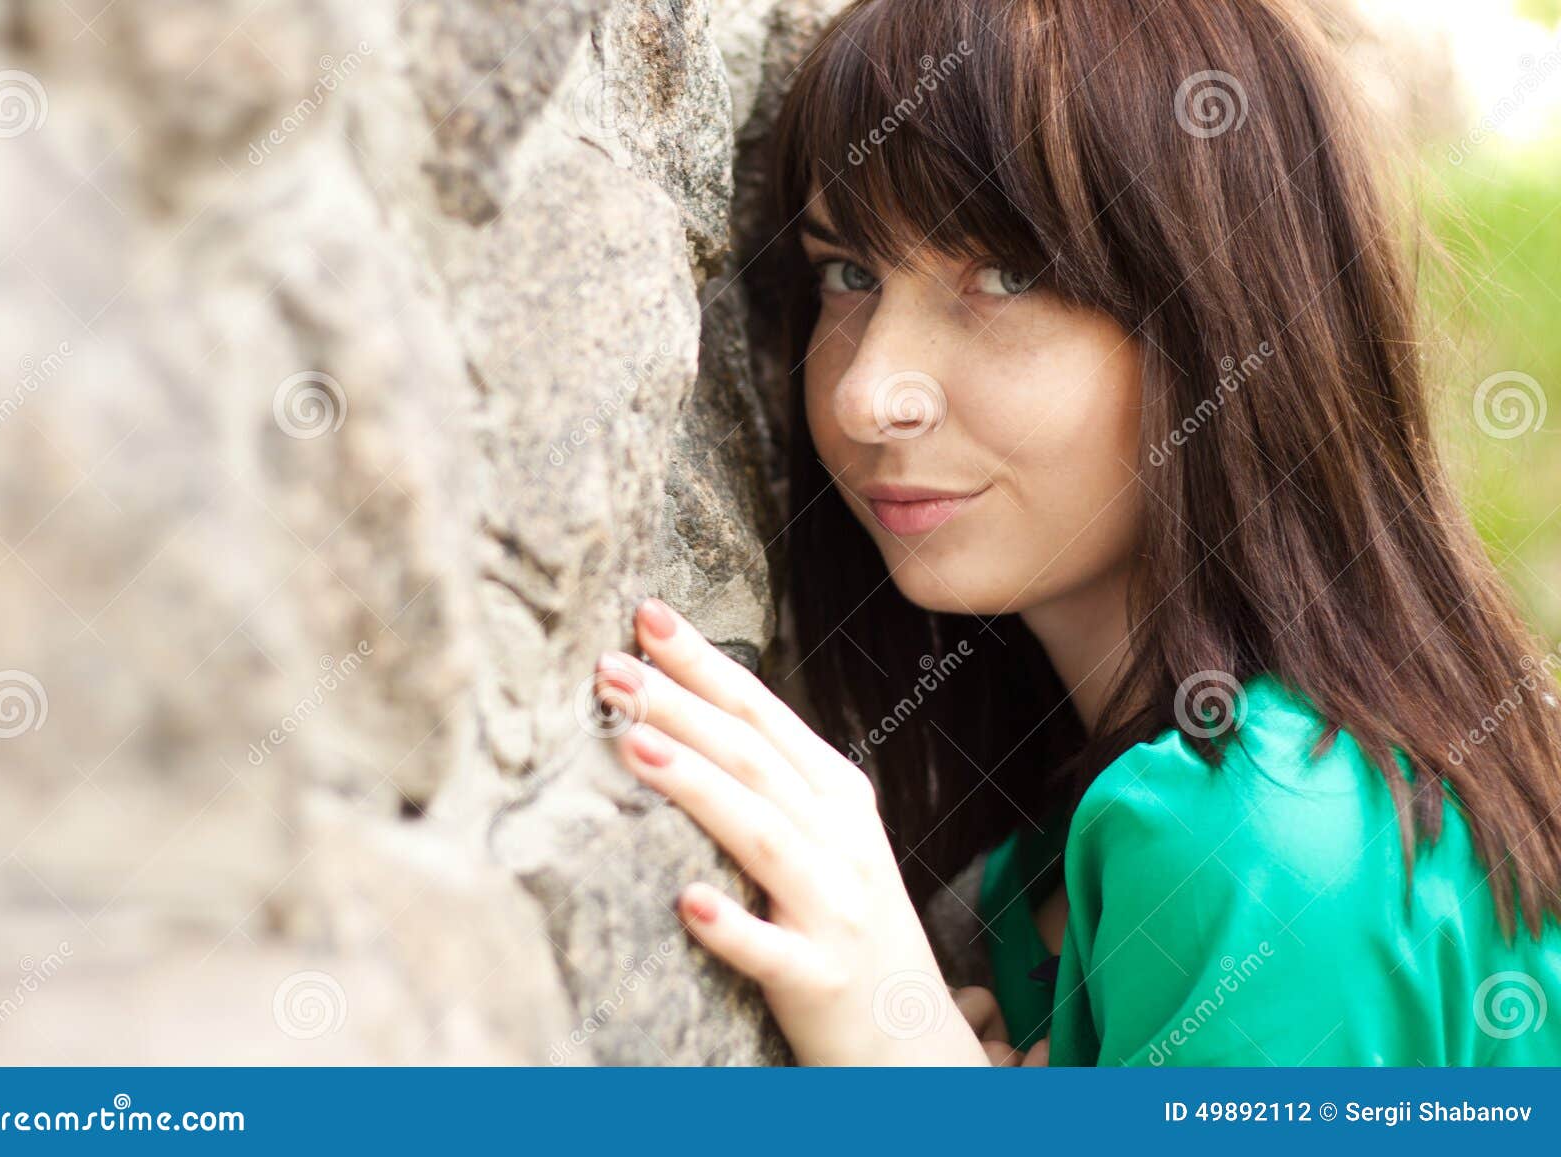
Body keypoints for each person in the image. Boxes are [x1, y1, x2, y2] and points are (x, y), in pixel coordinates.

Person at [594, 0, 1561, 1065]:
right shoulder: (1057, 836)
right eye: (848, 275)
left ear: (1223, 327)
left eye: (1005, 279)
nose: (870, 393)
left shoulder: (1266, 838)